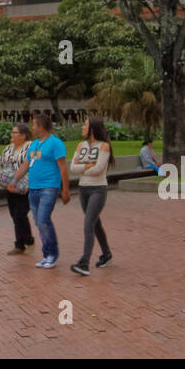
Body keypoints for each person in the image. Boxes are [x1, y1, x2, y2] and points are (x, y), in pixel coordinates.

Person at [14, 112, 69, 269]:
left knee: (44, 219)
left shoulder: (56, 143)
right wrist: (14, 180)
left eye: (34, 124)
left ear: (41, 126)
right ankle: (47, 255)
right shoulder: (34, 144)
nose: (32, 127)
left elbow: (63, 168)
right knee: (39, 222)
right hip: (34, 189)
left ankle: (52, 254)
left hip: (49, 187)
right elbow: (25, 164)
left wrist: (65, 190)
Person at [69, 117, 114, 275]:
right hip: (83, 189)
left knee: (89, 222)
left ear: (93, 128)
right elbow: (72, 167)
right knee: (95, 224)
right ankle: (107, 254)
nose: (82, 127)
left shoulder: (104, 147)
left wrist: (83, 167)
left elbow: (99, 169)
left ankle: (84, 263)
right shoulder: (81, 145)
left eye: (85, 125)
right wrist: (87, 166)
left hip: (98, 190)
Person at [0, 122, 34, 254]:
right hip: (9, 187)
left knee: (20, 214)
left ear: (23, 135)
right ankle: (19, 245)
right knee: (14, 215)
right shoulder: (8, 149)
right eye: (12, 132)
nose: (12, 135)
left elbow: (36, 164)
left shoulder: (31, 147)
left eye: (15, 132)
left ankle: (29, 240)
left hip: (25, 187)